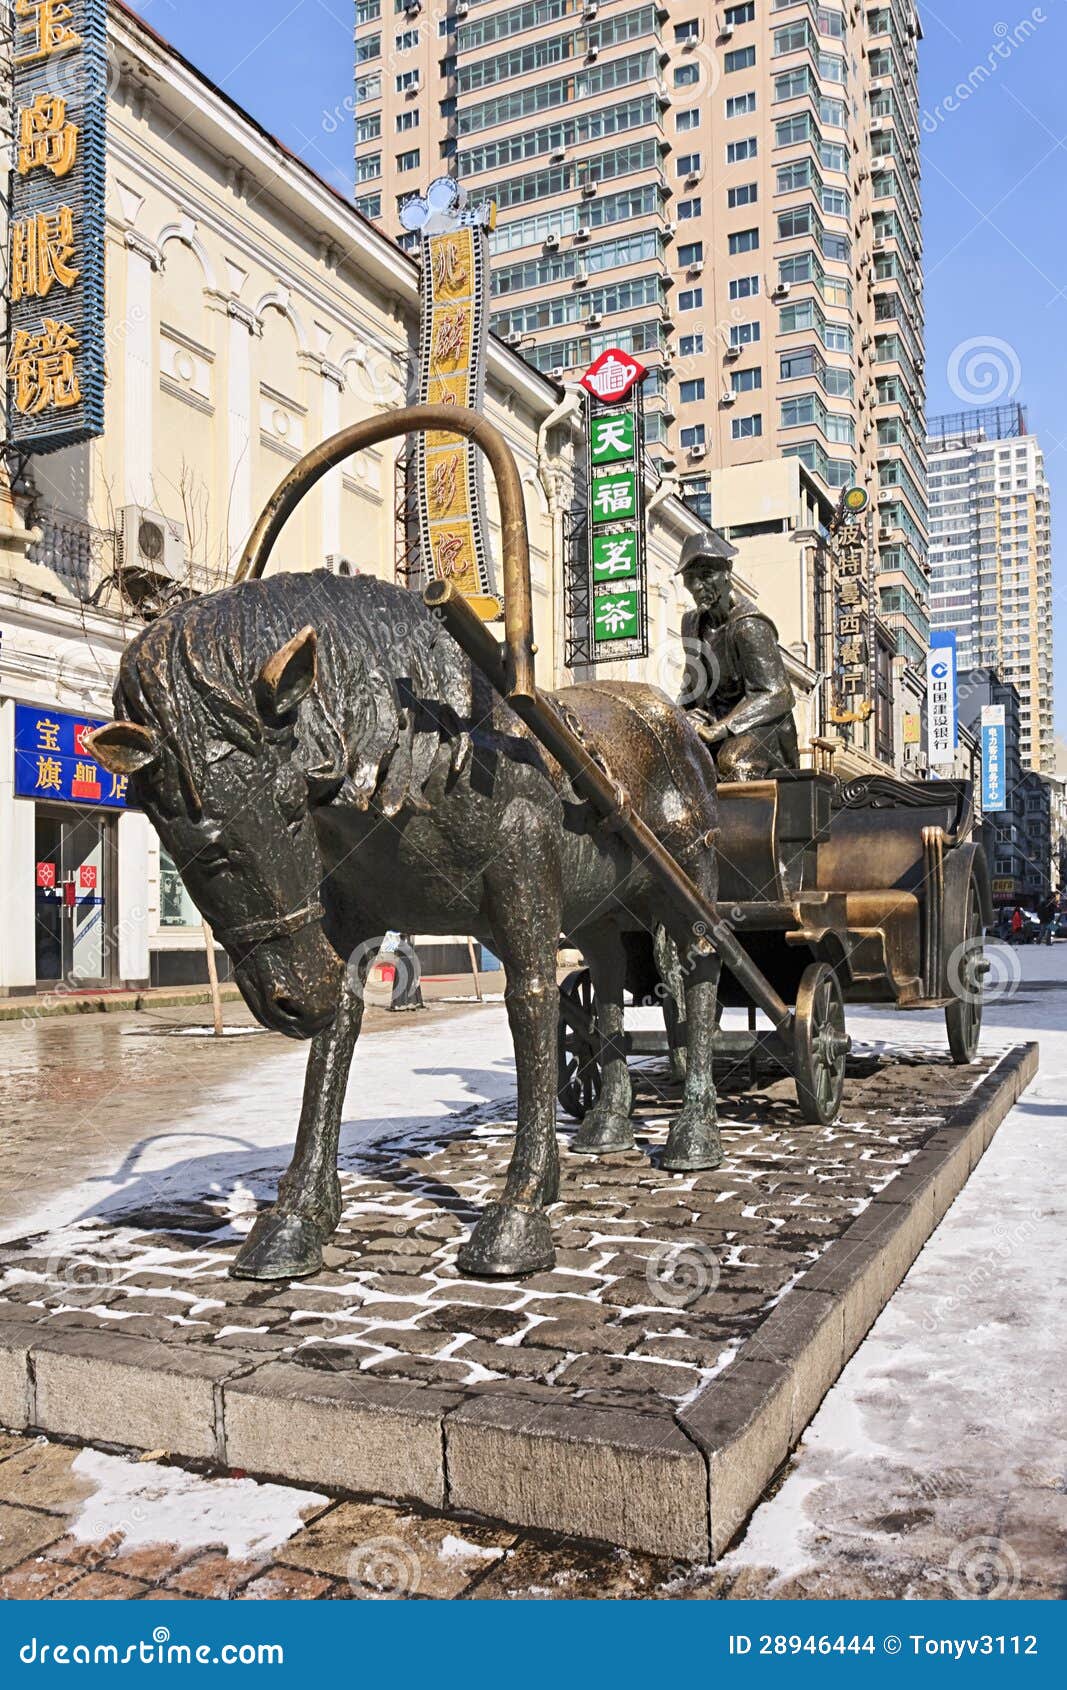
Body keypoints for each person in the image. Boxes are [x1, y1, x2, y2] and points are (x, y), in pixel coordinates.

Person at [675, 532, 799, 781]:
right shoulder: (691, 623)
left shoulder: (749, 626)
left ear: (727, 572)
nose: (698, 586)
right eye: (690, 579)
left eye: (706, 575)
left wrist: (721, 729)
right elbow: (691, 686)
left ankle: (746, 820)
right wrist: (680, 716)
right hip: (713, 723)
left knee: (732, 762)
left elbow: (777, 693)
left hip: (761, 727)